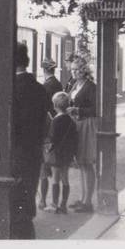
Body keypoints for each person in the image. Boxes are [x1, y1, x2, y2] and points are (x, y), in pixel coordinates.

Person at [0, 42, 50, 239]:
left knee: (8, 213)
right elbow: (46, 124)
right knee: (25, 210)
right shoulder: (40, 89)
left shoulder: (6, 91)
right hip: (33, 157)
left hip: (9, 160)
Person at [66, 58, 97, 214]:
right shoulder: (75, 85)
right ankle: (83, 198)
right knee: (81, 163)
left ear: (84, 70)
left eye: (77, 69)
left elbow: (95, 109)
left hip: (86, 124)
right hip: (77, 124)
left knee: (87, 162)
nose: (74, 72)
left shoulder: (91, 87)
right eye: (72, 69)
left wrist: (78, 111)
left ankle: (88, 201)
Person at [44, 92, 78, 214]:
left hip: (57, 153)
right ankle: (63, 205)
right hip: (67, 154)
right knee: (65, 179)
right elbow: (75, 138)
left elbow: (52, 138)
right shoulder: (71, 121)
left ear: (55, 106)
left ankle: (54, 204)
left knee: (55, 179)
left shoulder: (56, 121)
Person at [37, 58, 63, 210]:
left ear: (44, 70)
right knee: (56, 167)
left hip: (47, 126)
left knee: (44, 167)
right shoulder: (58, 83)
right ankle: (55, 202)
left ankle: (43, 200)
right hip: (56, 124)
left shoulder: (46, 85)